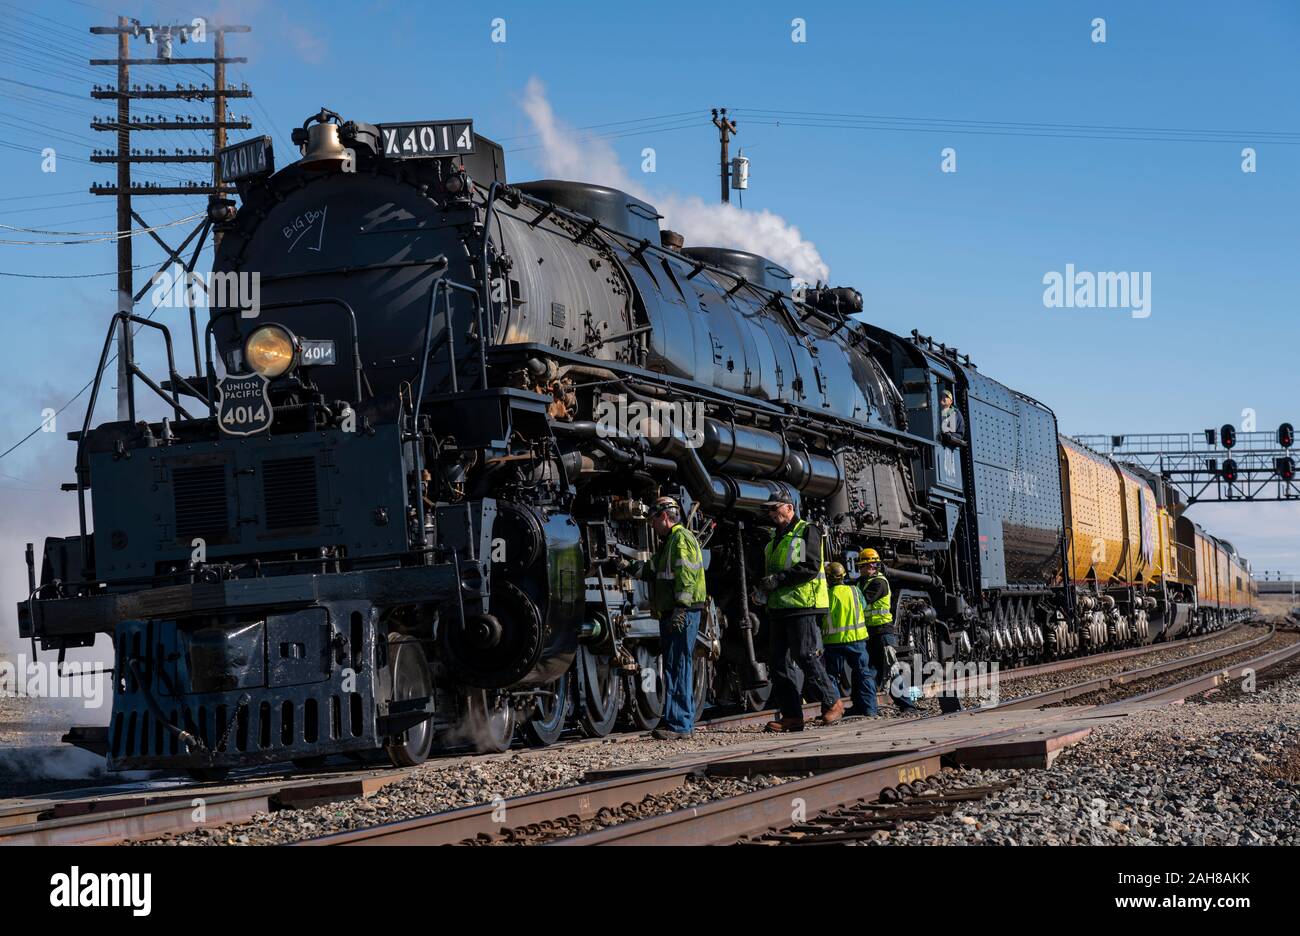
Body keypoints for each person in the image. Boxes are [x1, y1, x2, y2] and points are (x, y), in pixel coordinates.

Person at [757, 497, 844, 732]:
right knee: (777, 662)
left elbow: (810, 566)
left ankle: (833, 701)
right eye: (770, 512)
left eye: (777, 509)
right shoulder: (775, 539)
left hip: (803, 602)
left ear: (789, 507)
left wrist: (779, 579)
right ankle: (793, 716)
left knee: (804, 654)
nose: (774, 514)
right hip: (779, 607)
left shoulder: (807, 530)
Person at [625, 496, 707, 740]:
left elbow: (687, 576)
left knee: (679, 664)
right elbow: (651, 571)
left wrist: (681, 608)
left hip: (682, 611)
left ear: (663, 516)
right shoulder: (670, 541)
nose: (651, 525)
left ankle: (681, 725)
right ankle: (676, 721)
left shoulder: (680, 539)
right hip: (674, 611)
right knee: (673, 665)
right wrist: (623, 565)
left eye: (653, 520)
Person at [859, 548, 919, 713]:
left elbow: (863, 600)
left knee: (891, 671)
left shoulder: (879, 582)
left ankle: (907, 705)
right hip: (870, 633)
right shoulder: (860, 582)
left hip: (883, 634)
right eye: (867, 564)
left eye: (872, 564)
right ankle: (867, 707)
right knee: (870, 672)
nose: (870, 566)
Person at [822, 561, 876, 716]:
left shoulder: (825, 594)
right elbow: (864, 606)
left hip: (833, 642)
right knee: (863, 673)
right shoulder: (854, 590)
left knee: (831, 676)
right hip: (856, 639)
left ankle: (834, 710)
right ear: (843, 576)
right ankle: (870, 710)